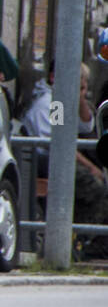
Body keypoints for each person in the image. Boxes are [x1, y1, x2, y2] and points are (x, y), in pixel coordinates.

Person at [22, 58, 108, 257]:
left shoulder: (63, 100)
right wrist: (91, 167)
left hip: (56, 157)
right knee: (95, 187)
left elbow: (86, 126)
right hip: (46, 161)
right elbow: (60, 141)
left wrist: (79, 99)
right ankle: (80, 239)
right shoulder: (54, 103)